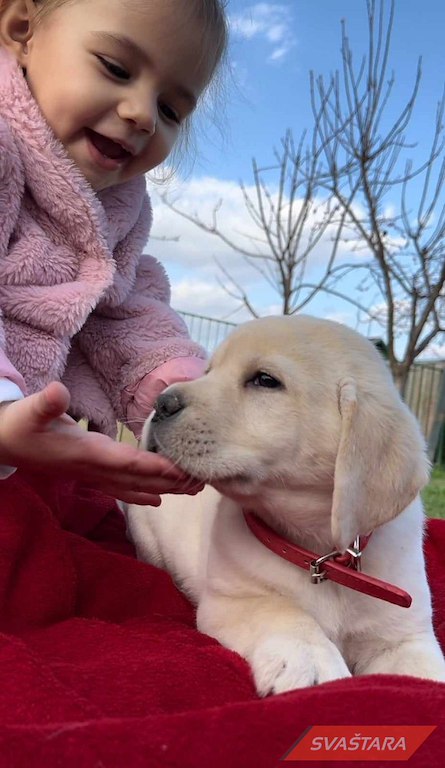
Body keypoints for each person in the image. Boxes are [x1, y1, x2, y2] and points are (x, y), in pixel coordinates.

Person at [0, 0, 228, 506]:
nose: (142, 114)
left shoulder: (117, 210)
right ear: (21, 30)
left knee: (137, 567)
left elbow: (125, 315)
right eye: (117, 69)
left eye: (171, 110)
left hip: (53, 458)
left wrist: (184, 396)